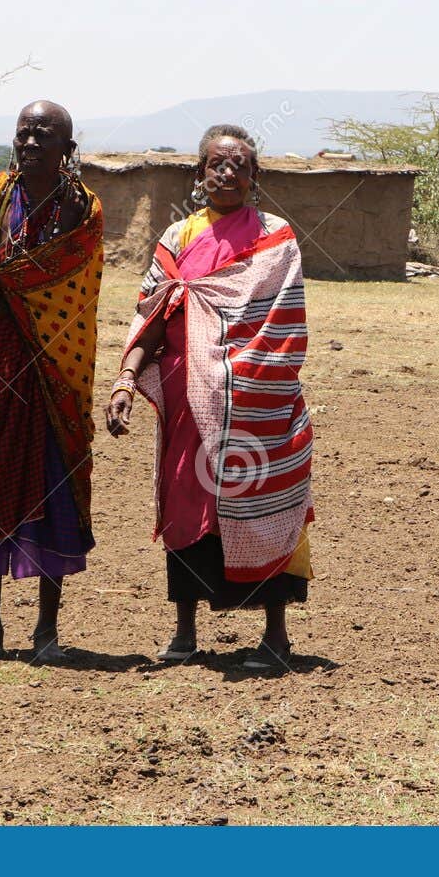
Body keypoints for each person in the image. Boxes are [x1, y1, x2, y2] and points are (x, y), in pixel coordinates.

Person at [106, 124, 314, 672]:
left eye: (238, 165)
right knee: (186, 502)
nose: (227, 173)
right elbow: (152, 318)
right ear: (199, 174)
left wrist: (233, 374)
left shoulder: (275, 237)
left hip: (255, 402)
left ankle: (275, 635)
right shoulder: (177, 237)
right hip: (186, 404)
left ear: (255, 176)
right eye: (216, 164)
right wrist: (126, 380)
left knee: (262, 501)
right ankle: (184, 631)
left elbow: (284, 325)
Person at [0, 100, 103, 664]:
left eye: (44, 134)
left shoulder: (83, 208)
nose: (31, 142)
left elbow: (76, 288)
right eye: (24, 133)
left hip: (55, 365)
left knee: (53, 485)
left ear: (68, 148)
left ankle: (46, 632)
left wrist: (16, 279)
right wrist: (9, 282)